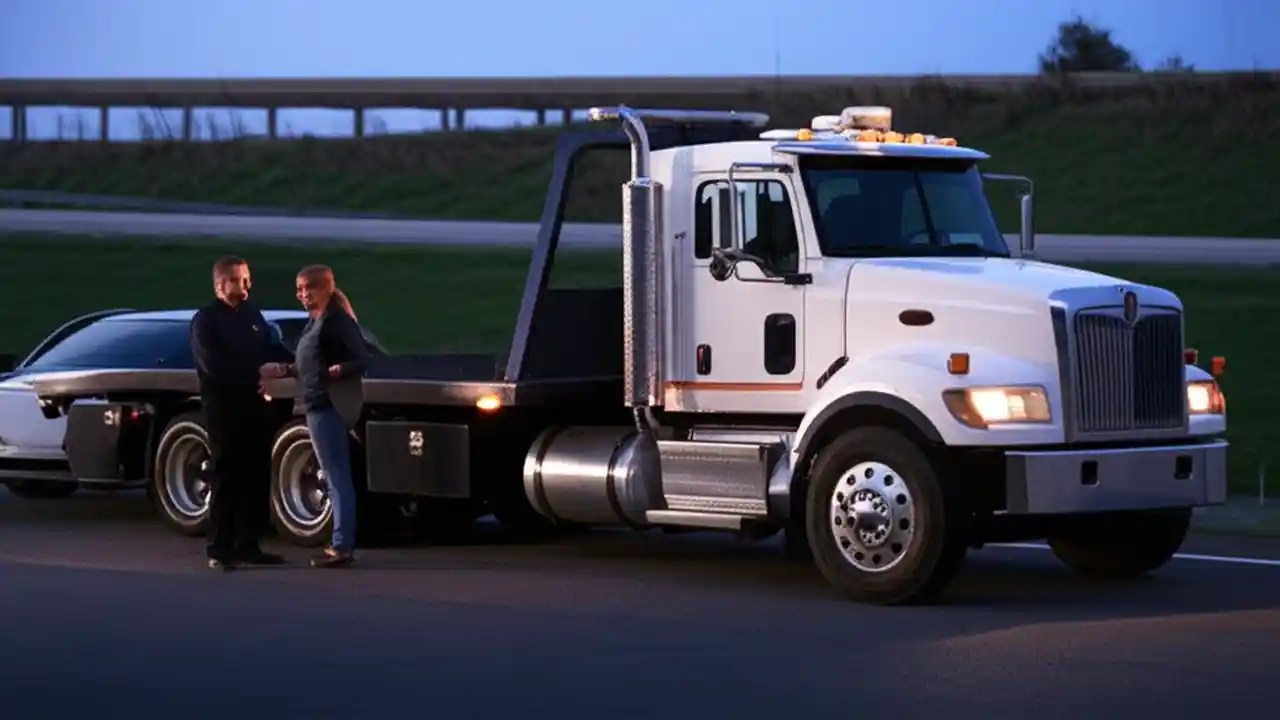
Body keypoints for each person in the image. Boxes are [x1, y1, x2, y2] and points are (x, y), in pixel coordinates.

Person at [190, 255, 295, 571]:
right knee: (227, 475)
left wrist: (295, 363)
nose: (245, 285)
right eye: (237, 280)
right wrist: (257, 371)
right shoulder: (206, 320)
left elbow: (269, 348)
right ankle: (220, 548)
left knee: (256, 473)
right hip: (223, 408)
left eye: (247, 278)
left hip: (255, 406)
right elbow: (214, 366)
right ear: (220, 284)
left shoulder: (252, 314)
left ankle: (250, 544)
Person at [291, 264, 370, 568]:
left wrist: (343, 369)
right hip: (315, 405)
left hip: (329, 407)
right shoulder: (315, 322)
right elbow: (309, 363)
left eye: (308, 288)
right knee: (336, 476)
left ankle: (342, 545)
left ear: (325, 287)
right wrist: (285, 369)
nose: (302, 295)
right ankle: (342, 542)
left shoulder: (337, 322)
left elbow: (361, 357)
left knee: (337, 478)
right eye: (299, 289)